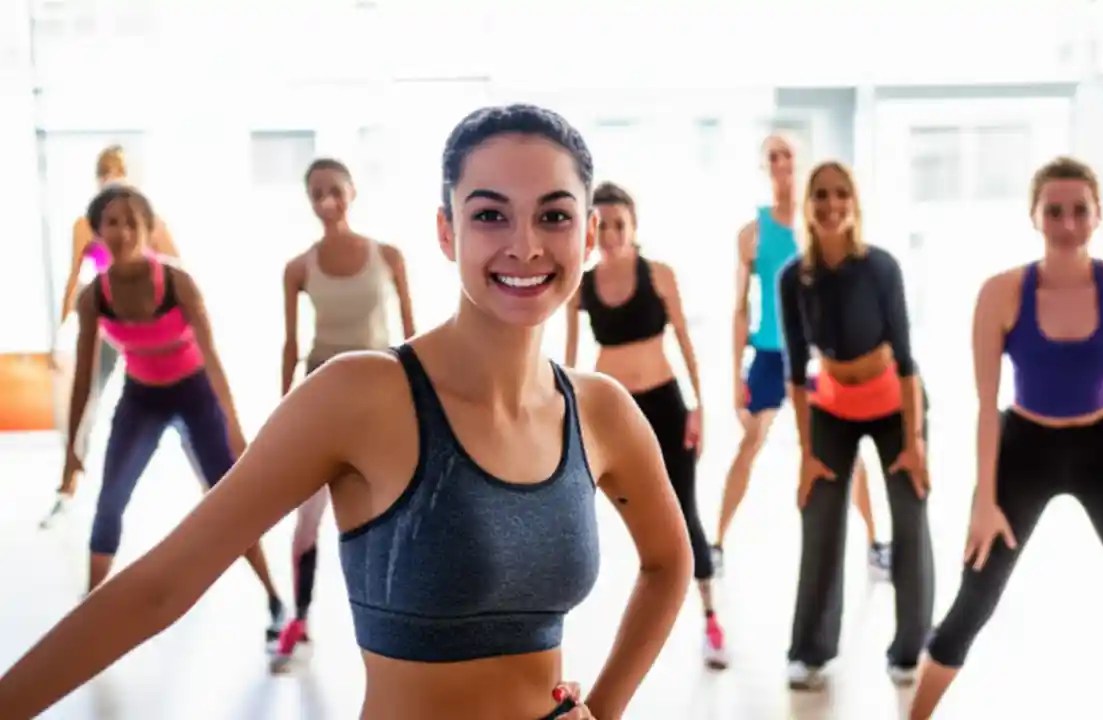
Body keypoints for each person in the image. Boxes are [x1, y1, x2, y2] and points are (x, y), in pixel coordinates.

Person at [0, 104, 692, 720]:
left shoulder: (600, 411)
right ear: (446, 231)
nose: (525, 244)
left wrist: (605, 709)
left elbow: (669, 561)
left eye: (554, 215)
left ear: (588, 232)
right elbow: (161, 586)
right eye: (489, 214)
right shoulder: (361, 395)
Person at [909, 157, 1103, 720]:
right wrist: (985, 502)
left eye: (1080, 211)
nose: (1067, 224)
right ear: (1034, 216)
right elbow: (986, 408)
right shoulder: (1001, 292)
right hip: (1025, 450)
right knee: (973, 600)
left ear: (1098, 215)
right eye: (1054, 211)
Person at [54, 184, 284, 635]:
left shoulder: (177, 282)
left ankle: (274, 598)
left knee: (226, 500)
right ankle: (89, 611)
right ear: (97, 232)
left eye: (132, 222)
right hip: (142, 397)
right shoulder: (94, 297)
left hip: (195, 393)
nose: (122, 232)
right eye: (112, 223)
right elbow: (85, 381)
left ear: (148, 229)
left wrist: (234, 427)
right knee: (110, 500)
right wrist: (71, 450)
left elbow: (213, 359)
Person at [776, 160, 933, 690]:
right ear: (808, 205)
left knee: (909, 516)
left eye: (840, 193)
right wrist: (806, 454)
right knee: (819, 516)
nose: (830, 203)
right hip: (833, 407)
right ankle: (810, 651)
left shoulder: (881, 267)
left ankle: (910, 649)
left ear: (855, 202)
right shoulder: (793, 278)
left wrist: (914, 443)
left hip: (894, 405)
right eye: (820, 194)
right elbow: (796, 372)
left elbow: (906, 360)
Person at [565, 181, 726, 670]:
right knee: (577, 515)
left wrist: (699, 406)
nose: (611, 234)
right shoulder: (581, 285)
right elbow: (570, 359)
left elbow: (685, 341)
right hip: (611, 415)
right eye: (603, 225)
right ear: (590, 229)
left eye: (620, 224)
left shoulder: (658, 274)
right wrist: (567, 417)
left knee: (685, 514)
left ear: (634, 226)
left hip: (665, 405)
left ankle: (711, 620)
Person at [272, 157, 418, 668]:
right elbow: (291, 346)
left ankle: (402, 621)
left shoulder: (388, 256)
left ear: (353, 191)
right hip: (321, 394)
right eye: (316, 192)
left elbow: (413, 334)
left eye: (334, 189)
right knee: (308, 519)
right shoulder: (298, 268)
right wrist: (282, 415)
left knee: (390, 512)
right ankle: (299, 619)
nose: (327, 200)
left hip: (381, 392)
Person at [43, 145, 187, 528]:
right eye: (106, 176)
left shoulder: (149, 222)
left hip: (148, 325)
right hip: (106, 322)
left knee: (171, 396)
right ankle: (69, 479)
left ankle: (201, 479)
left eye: (119, 176)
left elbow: (177, 269)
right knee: (86, 394)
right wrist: (62, 330)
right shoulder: (85, 225)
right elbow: (74, 277)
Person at [712, 132, 801, 571]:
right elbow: (739, 309)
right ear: (764, 166)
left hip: (811, 357)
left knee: (835, 448)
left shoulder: (817, 225)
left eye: (787, 155)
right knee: (750, 444)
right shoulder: (752, 234)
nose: (781, 163)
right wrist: (735, 378)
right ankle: (716, 542)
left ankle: (877, 541)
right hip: (767, 355)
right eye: (772, 157)